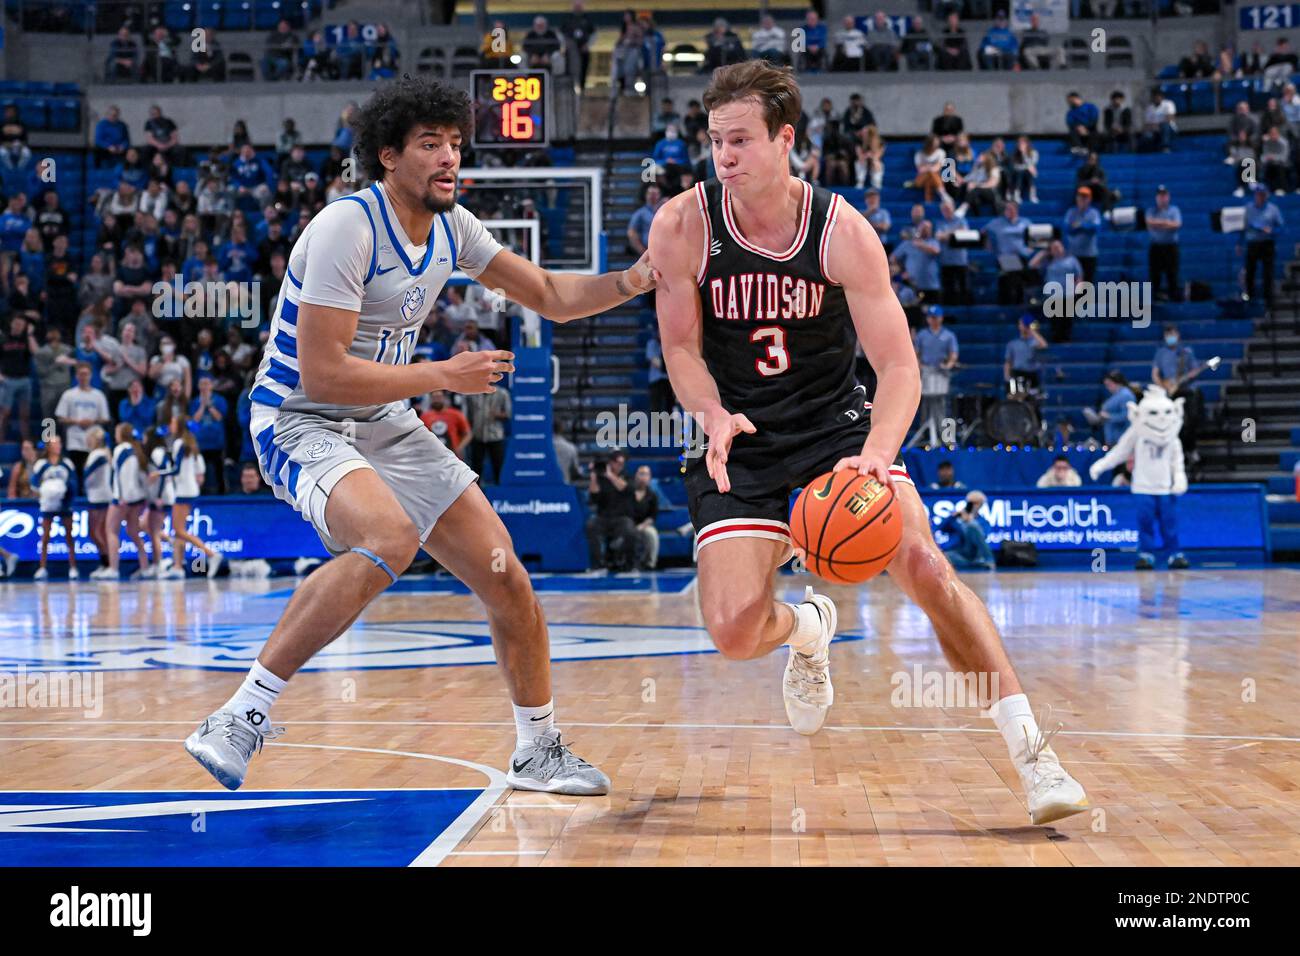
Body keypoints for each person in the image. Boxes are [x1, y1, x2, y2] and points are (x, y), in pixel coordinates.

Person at [184, 76, 654, 797]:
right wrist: (441, 372)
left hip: (384, 419)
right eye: (430, 144)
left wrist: (636, 277)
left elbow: (553, 297)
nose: (448, 159)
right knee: (390, 536)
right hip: (299, 416)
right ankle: (240, 714)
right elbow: (325, 374)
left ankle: (537, 749)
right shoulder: (347, 227)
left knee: (506, 577)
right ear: (387, 156)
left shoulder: (454, 228)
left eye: (456, 144)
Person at [647, 60, 1086, 825]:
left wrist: (880, 452)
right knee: (733, 631)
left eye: (741, 140)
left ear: (786, 140)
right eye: (716, 141)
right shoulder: (684, 224)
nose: (724, 156)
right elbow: (680, 351)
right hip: (739, 439)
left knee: (923, 562)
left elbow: (898, 367)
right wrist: (711, 413)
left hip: (835, 430)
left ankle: (1033, 753)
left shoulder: (841, 231)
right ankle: (810, 629)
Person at [103, 422, 154, 580]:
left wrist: (119, 497)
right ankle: (145, 567)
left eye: (116, 432)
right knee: (133, 532)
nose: (114, 435)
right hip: (137, 498)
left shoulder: (120, 449)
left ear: (121, 434)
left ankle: (113, 568)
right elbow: (140, 476)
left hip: (123, 498)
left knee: (111, 531)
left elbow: (119, 475)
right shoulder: (136, 450)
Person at [32, 436, 79, 581]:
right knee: (45, 536)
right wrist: (44, 493)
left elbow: (74, 482)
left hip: (65, 503)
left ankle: (73, 567)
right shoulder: (41, 464)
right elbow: (34, 482)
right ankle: (42, 567)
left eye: (59, 443)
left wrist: (67, 496)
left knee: (69, 536)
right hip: (48, 504)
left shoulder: (67, 463)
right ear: (48, 446)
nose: (58, 445)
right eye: (55, 443)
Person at [586, 450, 640, 571]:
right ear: (610, 462)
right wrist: (593, 477)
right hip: (603, 517)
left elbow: (625, 488)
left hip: (622, 518)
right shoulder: (601, 477)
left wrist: (610, 476)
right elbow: (594, 497)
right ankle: (598, 564)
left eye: (622, 463)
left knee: (630, 530)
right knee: (591, 526)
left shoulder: (628, 477)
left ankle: (629, 565)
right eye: (617, 462)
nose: (620, 465)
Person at [912, 305, 958, 446]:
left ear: (941, 318)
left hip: (941, 373)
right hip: (926, 372)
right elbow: (915, 353)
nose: (933, 320)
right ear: (927, 319)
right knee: (926, 405)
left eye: (936, 317)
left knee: (943, 406)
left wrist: (949, 365)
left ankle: (947, 438)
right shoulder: (922, 335)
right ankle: (926, 436)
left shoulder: (948, 335)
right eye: (931, 317)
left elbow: (953, 354)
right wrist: (918, 366)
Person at [55, 362, 111, 478]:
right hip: (75, 439)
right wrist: (77, 422)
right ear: (76, 376)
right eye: (81, 374)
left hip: (94, 440)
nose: (83, 377)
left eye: (86, 374)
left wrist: (92, 421)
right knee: (78, 470)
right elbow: (60, 417)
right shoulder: (69, 395)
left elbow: (105, 418)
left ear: (90, 375)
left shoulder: (98, 395)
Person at [1243, 184, 1284, 306]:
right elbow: (1244, 226)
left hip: (1267, 243)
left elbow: (1280, 227)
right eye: (1257, 194)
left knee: (1268, 272)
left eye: (1262, 194)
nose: (1259, 197)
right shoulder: (1248, 208)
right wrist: (1239, 243)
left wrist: (1271, 231)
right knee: (1250, 271)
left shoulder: (1273, 209)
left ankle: (1268, 300)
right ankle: (1249, 296)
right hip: (1253, 243)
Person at [0, 313, 38, 442]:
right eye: (16, 323)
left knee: (25, 415)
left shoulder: (26, 340)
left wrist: (29, 334)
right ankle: (1, 441)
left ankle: (25, 441)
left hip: (24, 380)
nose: (18, 326)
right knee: (4, 414)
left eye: (22, 325)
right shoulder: (3, 339)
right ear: (11, 323)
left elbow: (36, 352)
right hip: (8, 380)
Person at [937, 490, 994, 570]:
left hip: (974, 552)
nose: (973, 506)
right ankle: (974, 564)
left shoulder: (984, 522)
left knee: (972, 526)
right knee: (944, 556)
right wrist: (952, 517)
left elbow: (982, 538)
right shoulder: (956, 519)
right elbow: (940, 529)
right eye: (970, 503)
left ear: (981, 505)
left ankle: (986, 560)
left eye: (976, 503)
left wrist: (970, 521)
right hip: (957, 552)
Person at [420, 388, 471, 457]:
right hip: (432, 456)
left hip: (453, 456)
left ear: (444, 398)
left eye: (439, 396)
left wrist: (459, 447)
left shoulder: (456, 414)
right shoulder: (424, 416)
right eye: (434, 397)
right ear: (431, 399)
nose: (437, 399)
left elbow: (468, 434)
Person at [1004, 316, 1048, 392]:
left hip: (1032, 374)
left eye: (1024, 324)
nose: (1023, 326)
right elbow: (1008, 362)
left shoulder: (1034, 342)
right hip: (1017, 373)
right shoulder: (1013, 343)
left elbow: (1044, 345)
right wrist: (1007, 377)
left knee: (1033, 397)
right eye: (1021, 324)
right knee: (1017, 399)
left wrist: (1032, 331)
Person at [631, 464, 660, 569]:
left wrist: (642, 526)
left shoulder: (652, 495)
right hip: (628, 524)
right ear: (636, 476)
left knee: (651, 533)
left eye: (646, 474)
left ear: (650, 478)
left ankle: (650, 563)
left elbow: (652, 516)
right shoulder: (628, 492)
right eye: (641, 474)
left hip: (644, 524)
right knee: (627, 531)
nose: (644, 477)